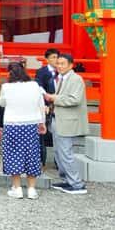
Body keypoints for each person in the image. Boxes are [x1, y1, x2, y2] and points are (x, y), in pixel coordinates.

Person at [0, 62, 46, 200]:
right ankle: (31, 189)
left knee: (14, 155)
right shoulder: (34, 85)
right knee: (32, 155)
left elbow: (2, 103)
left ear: (9, 74)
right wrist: (42, 122)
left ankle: (17, 188)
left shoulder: (7, 87)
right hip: (31, 124)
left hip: (12, 125)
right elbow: (41, 105)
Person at [44, 53, 88, 194]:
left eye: (63, 64)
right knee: (58, 152)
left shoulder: (76, 79)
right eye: (58, 63)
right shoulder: (62, 78)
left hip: (68, 121)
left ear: (71, 65)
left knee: (65, 152)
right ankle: (66, 180)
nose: (60, 66)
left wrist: (54, 98)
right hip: (59, 119)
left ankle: (76, 184)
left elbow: (74, 100)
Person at [34, 48, 60, 166]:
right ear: (47, 59)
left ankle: (58, 161)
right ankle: (41, 159)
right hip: (46, 104)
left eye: (56, 57)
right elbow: (38, 86)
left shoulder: (61, 71)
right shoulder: (42, 71)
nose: (55, 60)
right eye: (53, 57)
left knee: (59, 133)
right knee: (43, 133)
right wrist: (46, 97)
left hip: (59, 104)